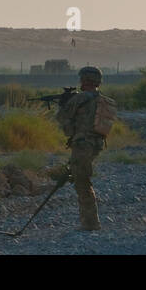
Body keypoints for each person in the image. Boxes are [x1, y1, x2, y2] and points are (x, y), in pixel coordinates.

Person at [50, 66, 113, 231]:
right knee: (80, 177)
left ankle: (91, 223)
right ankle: (89, 222)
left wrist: (63, 104)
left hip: (82, 145)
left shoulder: (81, 98)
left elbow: (63, 118)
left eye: (82, 80)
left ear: (86, 80)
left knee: (82, 181)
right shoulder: (102, 99)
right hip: (95, 145)